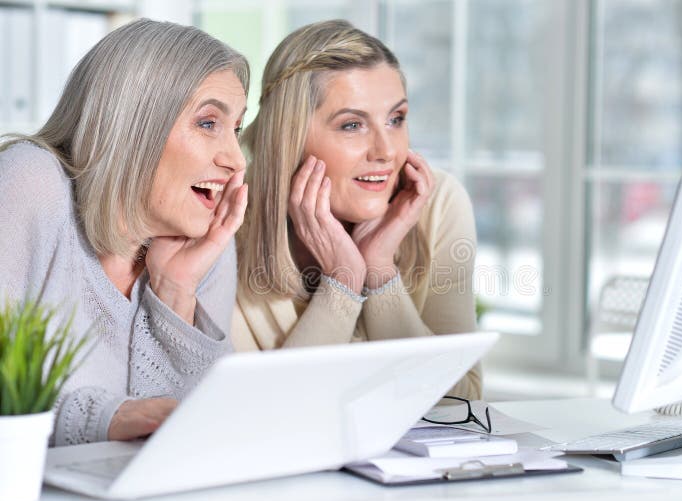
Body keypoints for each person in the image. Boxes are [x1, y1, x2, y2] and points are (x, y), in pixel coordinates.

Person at [0, 19, 249, 445]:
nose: (235, 160)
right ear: (133, 123)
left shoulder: (206, 240)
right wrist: (105, 418)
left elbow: (193, 435)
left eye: (236, 129)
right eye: (208, 124)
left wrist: (175, 295)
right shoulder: (32, 183)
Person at [234, 19, 481, 398]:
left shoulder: (437, 202)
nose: (386, 151)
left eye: (396, 119)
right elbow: (269, 414)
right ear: (289, 137)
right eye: (352, 125)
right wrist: (344, 282)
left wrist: (380, 271)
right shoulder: (226, 227)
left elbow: (459, 404)